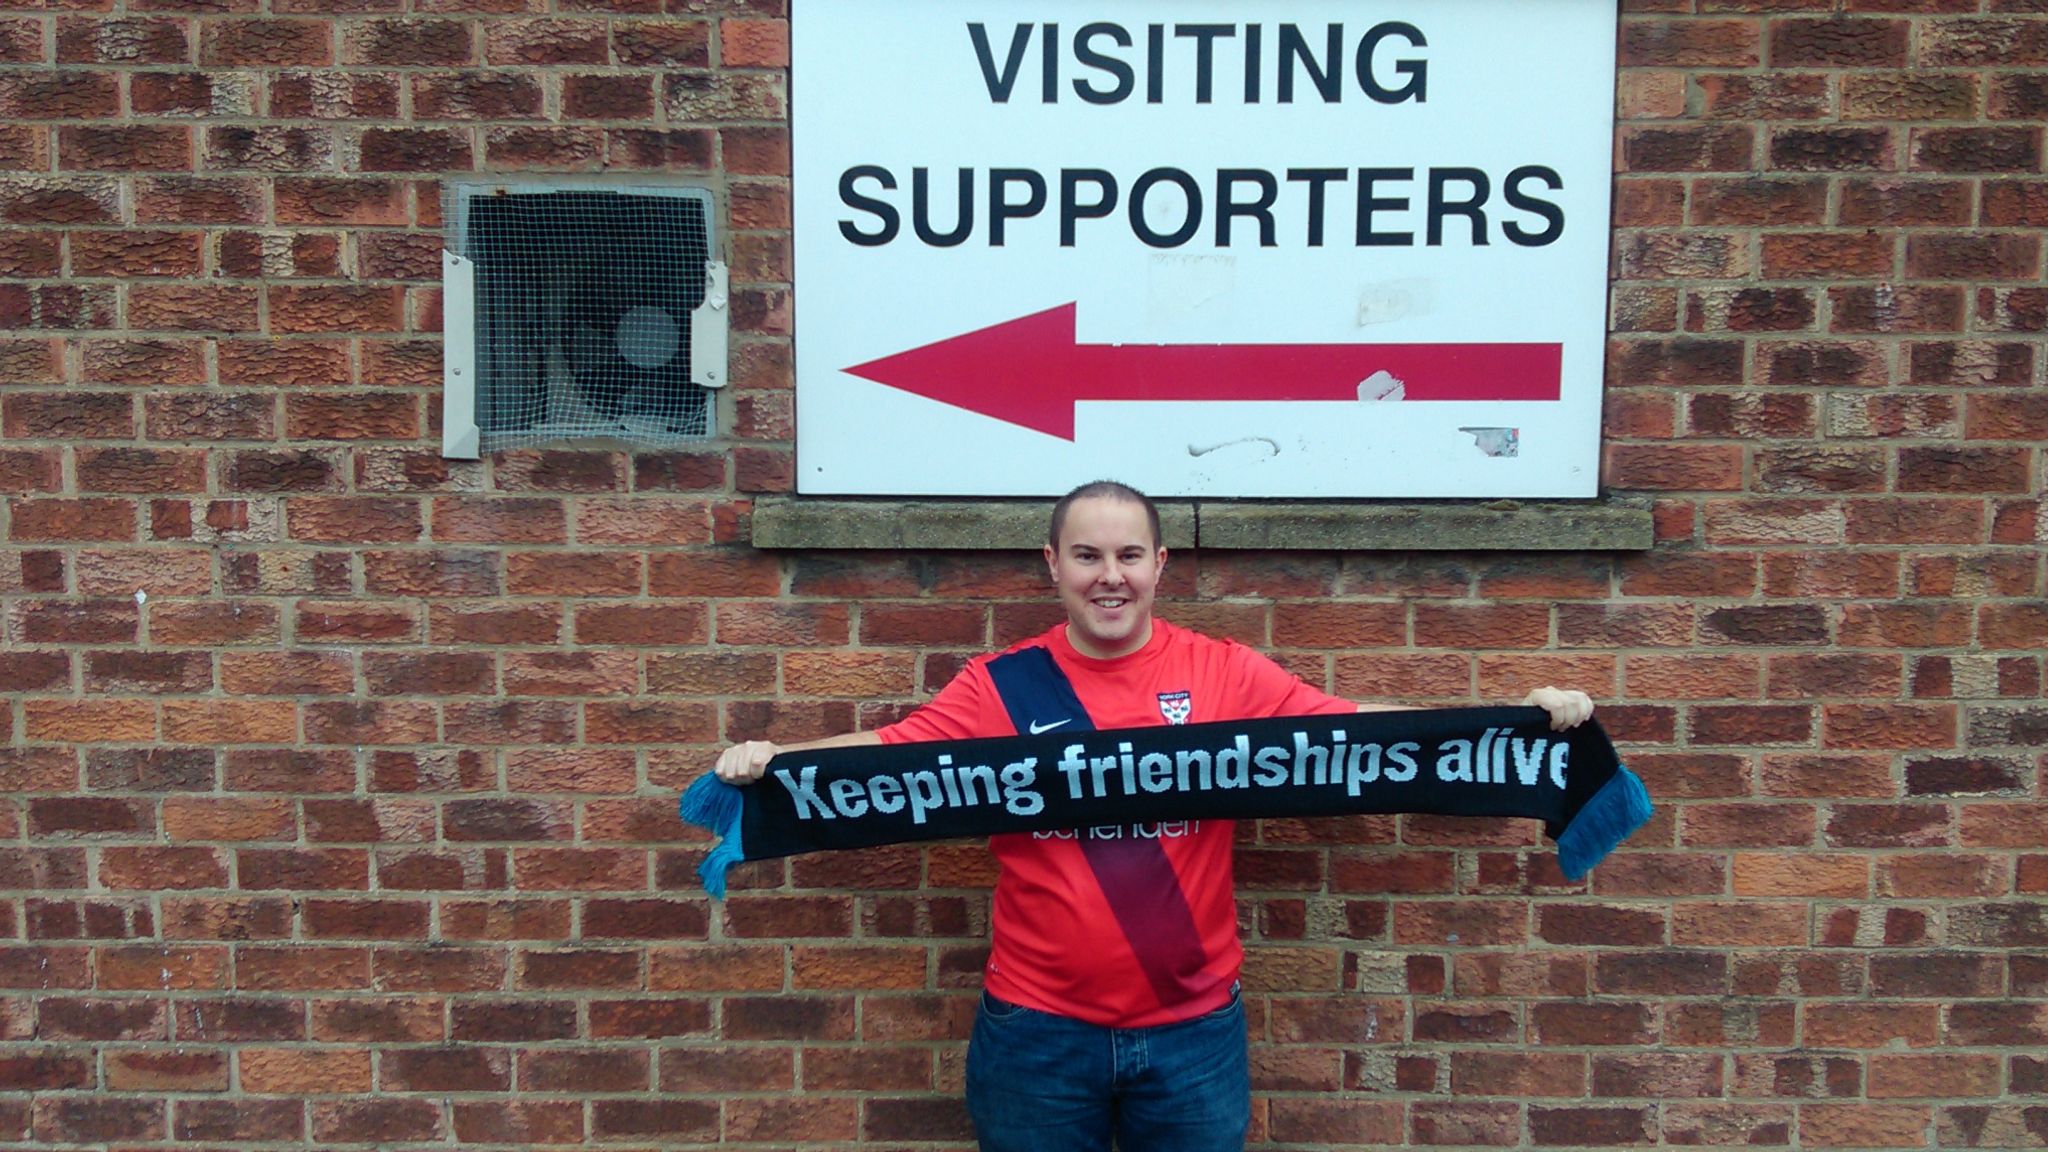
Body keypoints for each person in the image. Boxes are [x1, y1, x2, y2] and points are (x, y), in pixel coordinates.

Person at [711, 479, 1593, 1152]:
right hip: (1036, 1033)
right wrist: (780, 761)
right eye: (1088, 556)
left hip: (1192, 1034)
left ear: (1160, 565)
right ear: (1053, 565)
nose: (1111, 576)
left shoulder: (1222, 672)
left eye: (1129, 555)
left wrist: (1514, 722)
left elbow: (1356, 734)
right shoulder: (999, 685)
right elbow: (892, 754)